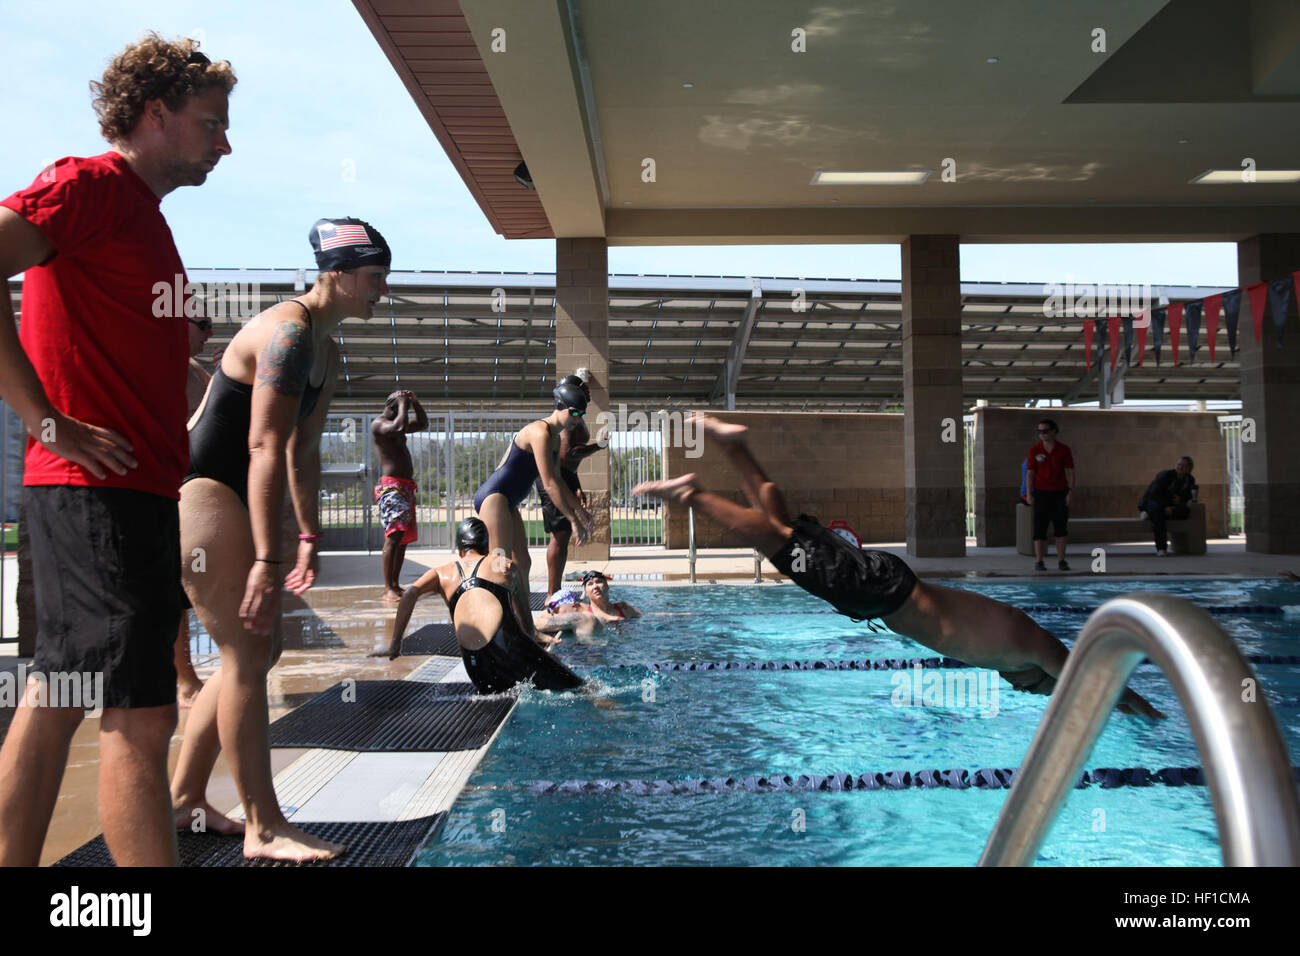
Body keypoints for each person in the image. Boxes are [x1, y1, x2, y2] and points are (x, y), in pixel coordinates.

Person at [0, 34, 235, 867]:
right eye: (211, 123)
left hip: (121, 492)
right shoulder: (89, 186)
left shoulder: (145, 223)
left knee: (58, 692)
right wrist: (44, 418)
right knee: (141, 714)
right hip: (94, 490)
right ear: (155, 115)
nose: (224, 142)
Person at [633, 413, 1162, 719]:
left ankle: (736, 447)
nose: (1030, 689)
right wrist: (1145, 714)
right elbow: (1092, 683)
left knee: (787, 529)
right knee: (781, 543)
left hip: (885, 586)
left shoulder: (1011, 653)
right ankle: (695, 495)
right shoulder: (1040, 649)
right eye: (1037, 687)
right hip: (881, 593)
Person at [169, 216, 392, 861]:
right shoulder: (290, 333)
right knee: (248, 651)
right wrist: (268, 555)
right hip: (208, 490)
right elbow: (262, 442)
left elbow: (302, 450)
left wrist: (310, 534)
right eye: (375, 277)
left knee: (256, 654)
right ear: (339, 274)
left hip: (241, 492)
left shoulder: (327, 345)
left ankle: (185, 800)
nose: (382, 290)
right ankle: (263, 827)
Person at [372, 518, 584, 694]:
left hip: (479, 671)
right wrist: (541, 652)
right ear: (486, 547)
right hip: (514, 655)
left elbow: (409, 594)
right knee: (582, 690)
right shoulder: (502, 564)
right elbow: (525, 626)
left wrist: (396, 644)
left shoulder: (441, 573)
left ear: (459, 550)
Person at [472, 379, 594, 636]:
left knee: (522, 564)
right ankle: (495, 627)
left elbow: (559, 480)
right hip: (495, 496)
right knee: (500, 566)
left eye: (581, 414)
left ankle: (526, 629)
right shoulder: (540, 432)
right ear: (560, 406)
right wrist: (572, 520)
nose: (577, 419)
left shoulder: (554, 438)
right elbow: (548, 484)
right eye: (574, 412)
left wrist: (580, 512)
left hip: (508, 501)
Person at [176, 313, 215, 707]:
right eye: (201, 323)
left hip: (180, 488)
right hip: (148, 488)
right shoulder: (148, 359)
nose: (209, 333)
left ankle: (185, 679)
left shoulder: (196, 373)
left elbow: (211, 418)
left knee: (177, 589)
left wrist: (224, 378)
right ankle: (184, 680)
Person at [537, 413, 604, 595]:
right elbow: (569, 453)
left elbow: (569, 461)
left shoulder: (575, 417)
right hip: (554, 477)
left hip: (566, 476)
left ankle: (555, 590)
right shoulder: (567, 418)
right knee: (560, 534)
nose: (588, 393)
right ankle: (552, 594)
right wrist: (597, 446)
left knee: (563, 536)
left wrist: (576, 486)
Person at [371, 389, 428, 601]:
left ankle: (395, 584)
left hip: (405, 487)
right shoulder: (379, 424)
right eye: (401, 406)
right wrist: (403, 402)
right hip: (392, 488)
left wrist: (415, 402)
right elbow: (400, 426)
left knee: (402, 539)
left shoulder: (398, 425)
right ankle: (388, 588)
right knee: (393, 536)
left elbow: (422, 424)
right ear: (393, 407)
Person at [1025, 418, 1075, 572]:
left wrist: (1070, 491)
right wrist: (1029, 493)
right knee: (1040, 528)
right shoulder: (1035, 450)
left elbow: (1070, 472)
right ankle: (1039, 561)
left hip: (1060, 493)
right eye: (1039, 432)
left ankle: (1061, 560)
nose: (1042, 434)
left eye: (1045, 431)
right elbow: (1030, 473)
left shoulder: (1064, 449)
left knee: (1060, 527)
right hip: (1041, 493)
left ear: (1054, 431)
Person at [1138, 456, 1197, 556]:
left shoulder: (1189, 480)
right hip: (1154, 502)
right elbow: (1155, 493)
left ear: (1189, 468)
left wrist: (1180, 500)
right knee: (1158, 513)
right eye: (1179, 465)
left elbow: (1188, 496)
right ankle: (1161, 548)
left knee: (1185, 511)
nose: (1180, 467)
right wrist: (1165, 506)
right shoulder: (1165, 475)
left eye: (1183, 466)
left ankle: (1150, 514)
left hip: (1171, 506)